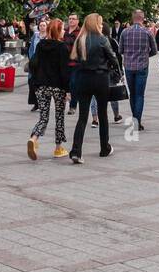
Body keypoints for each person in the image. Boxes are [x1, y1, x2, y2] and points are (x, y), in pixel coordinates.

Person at [68, 13, 119, 164]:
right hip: (101, 79)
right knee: (103, 115)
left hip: (83, 79)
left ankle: (76, 151)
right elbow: (114, 59)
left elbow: (75, 59)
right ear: (96, 24)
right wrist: (110, 66)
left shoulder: (80, 39)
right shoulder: (103, 39)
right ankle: (105, 148)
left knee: (82, 117)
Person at [27, 18, 70, 160]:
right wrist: (68, 90)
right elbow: (64, 71)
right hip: (57, 87)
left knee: (43, 117)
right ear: (58, 31)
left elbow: (33, 63)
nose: (64, 31)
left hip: (41, 85)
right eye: (63, 28)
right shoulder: (62, 47)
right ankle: (58, 148)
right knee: (59, 117)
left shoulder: (40, 45)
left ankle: (33, 138)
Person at [118, 10, 158, 132]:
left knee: (132, 94)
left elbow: (120, 50)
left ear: (132, 18)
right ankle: (137, 121)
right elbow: (155, 50)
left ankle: (135, 119)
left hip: (129, 67)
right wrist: (145, 55)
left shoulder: (125, 32)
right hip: (142, 66)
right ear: (143, 18)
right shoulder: (147, 32)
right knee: (140, 95)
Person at [64, 13, 82, 115]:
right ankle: (64, 103)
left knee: (73, 84)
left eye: (73, 19)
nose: (71, 20)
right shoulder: (65, 32)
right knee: (65, 84)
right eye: (70, 18)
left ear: (77, 21)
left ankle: (73, 106)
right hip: (65, 62)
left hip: (75, 63)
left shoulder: (79, 33)